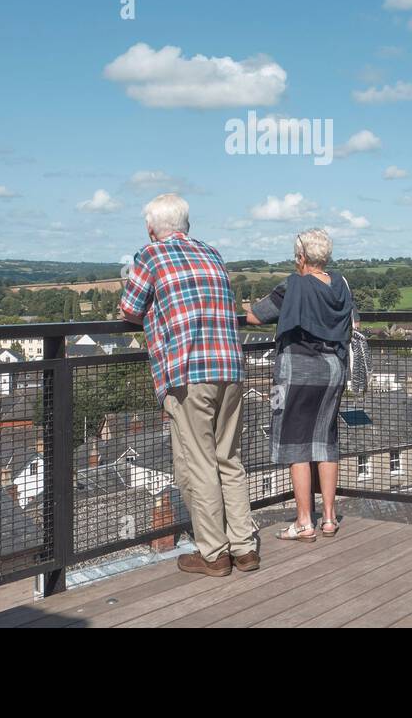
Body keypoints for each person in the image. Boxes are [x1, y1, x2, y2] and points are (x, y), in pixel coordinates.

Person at [119, 193, 258, 576]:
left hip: (188, 372)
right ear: (188, 226)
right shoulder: (212, 253)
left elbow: (130, 309)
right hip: (230, 367)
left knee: (200, 464)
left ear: (151, 230)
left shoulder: (149, 256)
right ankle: (245, 548)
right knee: (229, 459)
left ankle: (214, 554)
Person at [245, 228, 357, 541]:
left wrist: (241, 309)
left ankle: (305, 521)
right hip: (333, 370)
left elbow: (256, 317)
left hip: (297, 370)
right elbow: (353, 321)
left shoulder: (293, 285)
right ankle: (330, 519)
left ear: (301, 256)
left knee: (297, 445)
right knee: (325, 441)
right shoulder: (341, 284)